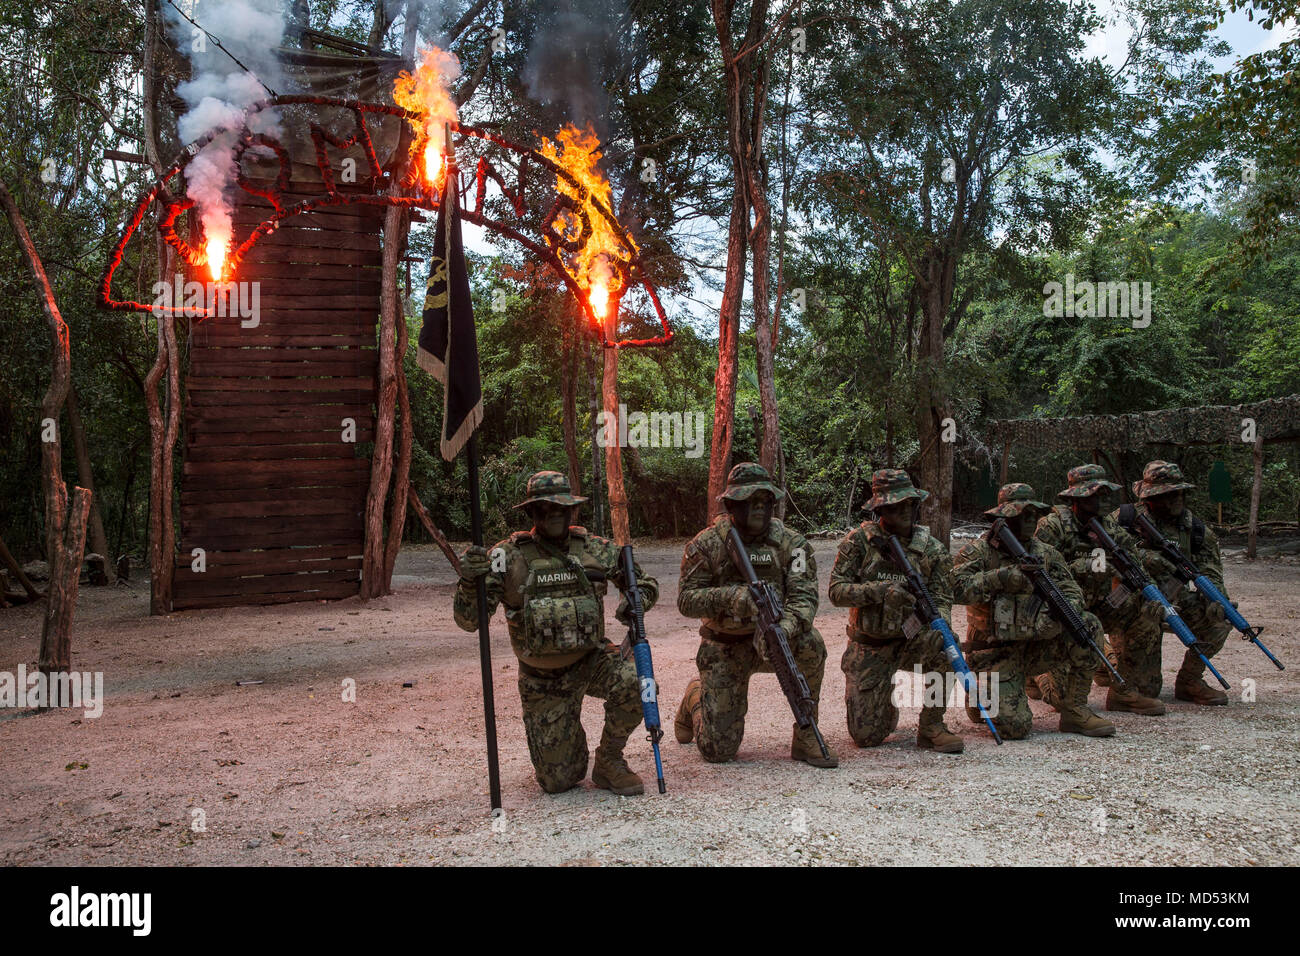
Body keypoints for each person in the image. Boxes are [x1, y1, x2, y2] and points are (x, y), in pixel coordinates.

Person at [454, 471, 659, 795]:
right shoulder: (505, 557)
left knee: (639, 681)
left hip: (591, 662)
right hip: (541, 678)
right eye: (544, 508)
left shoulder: (595, 549)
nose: (554, 515)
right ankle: (565, 744)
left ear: (571, 511)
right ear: (531, 513)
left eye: (561, 508)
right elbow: (470, 622)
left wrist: (635, 603)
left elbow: (645, 583)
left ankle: (609, 761)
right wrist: (469, 581)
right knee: (561, 780)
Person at [673, 462, 838, 767]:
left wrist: (785, 628)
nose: (759, 509)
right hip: (724, 645)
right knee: (718, 752)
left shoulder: (794, 545)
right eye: (751, 502)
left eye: (764, 501)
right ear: (733, 505)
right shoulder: (706, 544)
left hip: (776, 639)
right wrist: (733, 596)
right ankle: (695, 696)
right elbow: (686, 600)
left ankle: (805, 735)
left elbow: (805, 597)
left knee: (811, 643)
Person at [952, 483, 1116, 739]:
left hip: (1036, 646)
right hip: (994, 652)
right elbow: (954, 589)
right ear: (1005, 517)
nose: (1031, 520)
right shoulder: (979, 552)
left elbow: (1072, 590)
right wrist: (1001, 578)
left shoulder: (1046, 553)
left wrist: (1063, 611)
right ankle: (982, 695)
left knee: (1089, 624)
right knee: (1014, 728)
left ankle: (1074, 711)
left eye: (1033, 514)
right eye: (1023, 514)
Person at [828, 469, 964, 753]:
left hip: (911, 640)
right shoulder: (859, 542)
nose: (903, 511)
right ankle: (882, 700)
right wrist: (879, 591)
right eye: (894, 505)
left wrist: (941, 623)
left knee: (947, 647)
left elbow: (942, 597)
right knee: (866, 737)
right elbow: (836, 591)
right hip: (870, 646)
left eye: (908, 504)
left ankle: (931, 726)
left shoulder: (933, 550)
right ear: (881, 509)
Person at [1031, 464, 1166, 716]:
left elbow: (1135, 566)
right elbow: (1040, 575)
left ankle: (1124, 690)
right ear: (1077, 498)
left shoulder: (1111, 528)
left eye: (1106, 493)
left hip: (1102, 605)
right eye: (1096, 494)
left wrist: (1134, 579)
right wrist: (1090, 565)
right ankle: (1036, 673)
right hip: (1062, 612)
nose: (1104, 499)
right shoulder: (1053, 526)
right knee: (1062, 700)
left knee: (1149, 607)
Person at [1108, 460, 1231, 706]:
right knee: (1147, 690)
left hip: (1175, 599)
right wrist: (1146, 557)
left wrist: (1216, 599)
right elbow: (1099, 559)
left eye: (1178, 494)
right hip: (1129, 604)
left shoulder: (1195, 529)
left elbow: (1210, 571)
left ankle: (1190, 680)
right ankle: (1109, 660)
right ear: (1148, 498)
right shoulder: (1123, 520)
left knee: (1221, 619)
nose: (1174, 500)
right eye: (1166, 495)